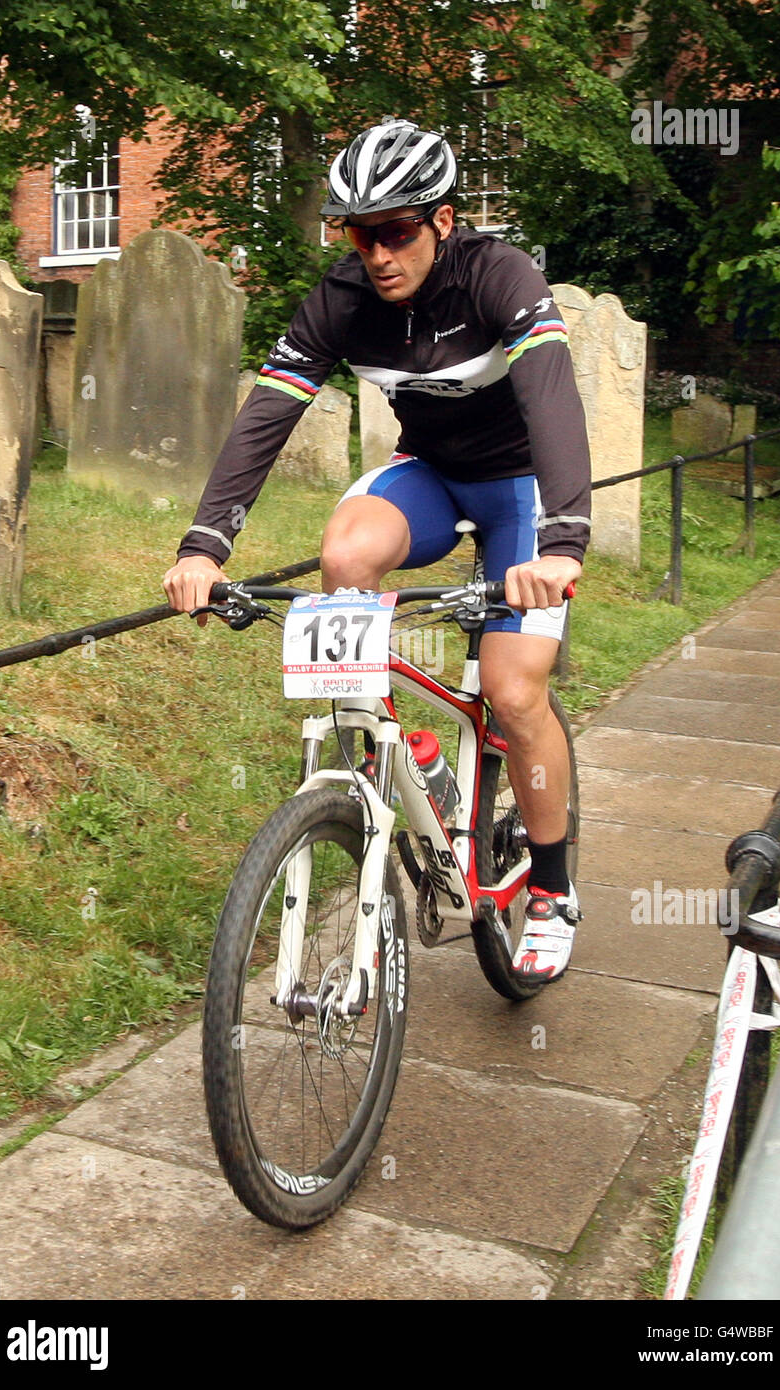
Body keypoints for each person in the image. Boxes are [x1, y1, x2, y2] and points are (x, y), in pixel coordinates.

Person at [164, 118, 592, 984]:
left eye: (397, 230)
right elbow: (267, 417)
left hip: (520, 489)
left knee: (513, 693)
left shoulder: (498, 275)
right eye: (360, 234)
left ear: (442, 220)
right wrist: (204, 546)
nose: (379, 253)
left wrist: (563, 541)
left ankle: (550, 889)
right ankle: (392, 763)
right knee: (344, 556)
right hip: (431, 473)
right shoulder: (344, 296)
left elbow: (550, 396)